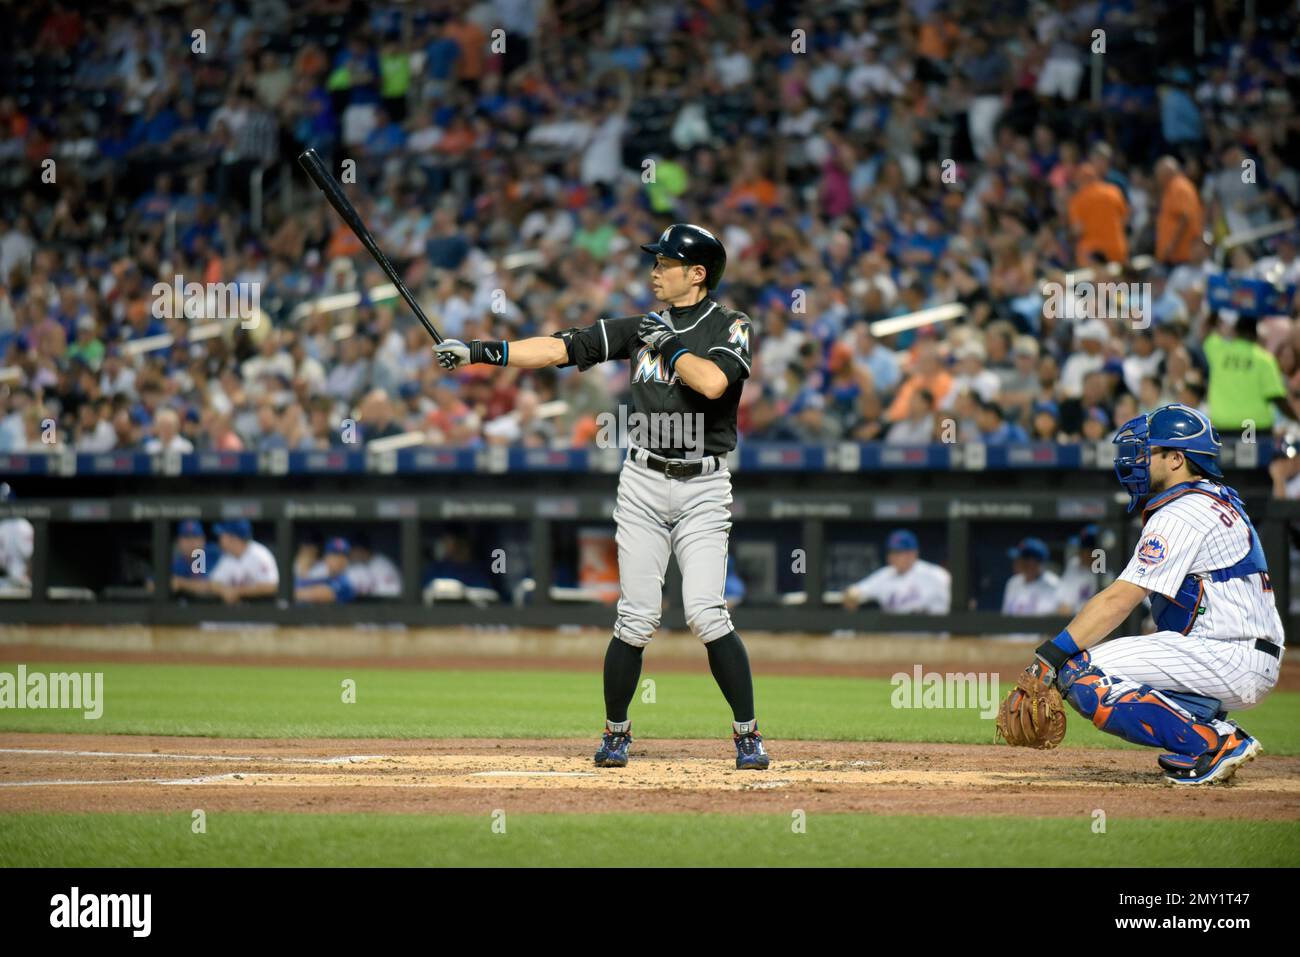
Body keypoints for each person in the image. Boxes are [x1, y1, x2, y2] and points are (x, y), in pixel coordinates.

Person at [434, 223, 769, 770]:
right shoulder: (643, 326)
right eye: (655, 262)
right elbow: (562, 348)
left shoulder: (731, 324)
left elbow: (712, 384)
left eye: (665, 263)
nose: (654, 270)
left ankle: (748, 734)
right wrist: (479, 351)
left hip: (704, 484)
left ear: (698, 273)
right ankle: (616, 733)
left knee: (707, 613)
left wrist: (668, 344)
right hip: (641, 481)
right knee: (636, 618)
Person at [1005, 404, 1283, 785]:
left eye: (1146, 451)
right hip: (1238, 653)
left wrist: (1049, 657)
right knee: (1124, 667)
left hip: (1227, 654)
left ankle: (1213, 742)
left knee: (1080, 671)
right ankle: (1204, 726)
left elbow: (1119, 600)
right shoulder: (1212, 499)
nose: (1135, 459)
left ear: (1176, 459)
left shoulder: (1184, 510)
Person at [842, 529, 950, 613]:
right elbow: (855, 591)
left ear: (912, 554)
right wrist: (851, 595)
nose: (892, 557)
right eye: (891, 552)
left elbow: (958, 604)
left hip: (932, 637)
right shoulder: (885, 575)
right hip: (896, 638)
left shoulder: (935, 575)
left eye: (898, 553)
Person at [205, 519, 280, 604]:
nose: (219, 539)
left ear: (234, 538)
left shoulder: (259, 555)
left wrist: (238, 592)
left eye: (222, 535)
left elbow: (272, 587)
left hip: (261, 609)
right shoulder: (228, 556)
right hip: (237, 611)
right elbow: (213, 583)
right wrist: (224, 590)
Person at [1002, 538, 1061, 615]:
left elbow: (1046, 619)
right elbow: (1005, 617)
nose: (1016, 562)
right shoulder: (1013, 582)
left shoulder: (1052, 584)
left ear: (1033, 562)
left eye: (1021, 558)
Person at [1056, 524, 1104, 614]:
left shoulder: (1108, 570)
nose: (1079, 554)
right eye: (1080, 549)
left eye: (1084, 550)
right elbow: (1063, 606)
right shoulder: (1075, 565)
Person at [295, 537, 356, 603]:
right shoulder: (321, 577)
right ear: (326, 557)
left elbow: (320, 595)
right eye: (335, 555)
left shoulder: (346, 581)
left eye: (343, 556)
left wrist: (291, 592)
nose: (339, 560)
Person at [170, 518, 218, 597]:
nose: (191, 542)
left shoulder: (214, 555)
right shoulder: (177, 563)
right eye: (187, 538)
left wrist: (180, 582)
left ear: (203, 540)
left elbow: (205, 587)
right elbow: (151, 584)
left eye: (195, 537)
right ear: (179, 542)